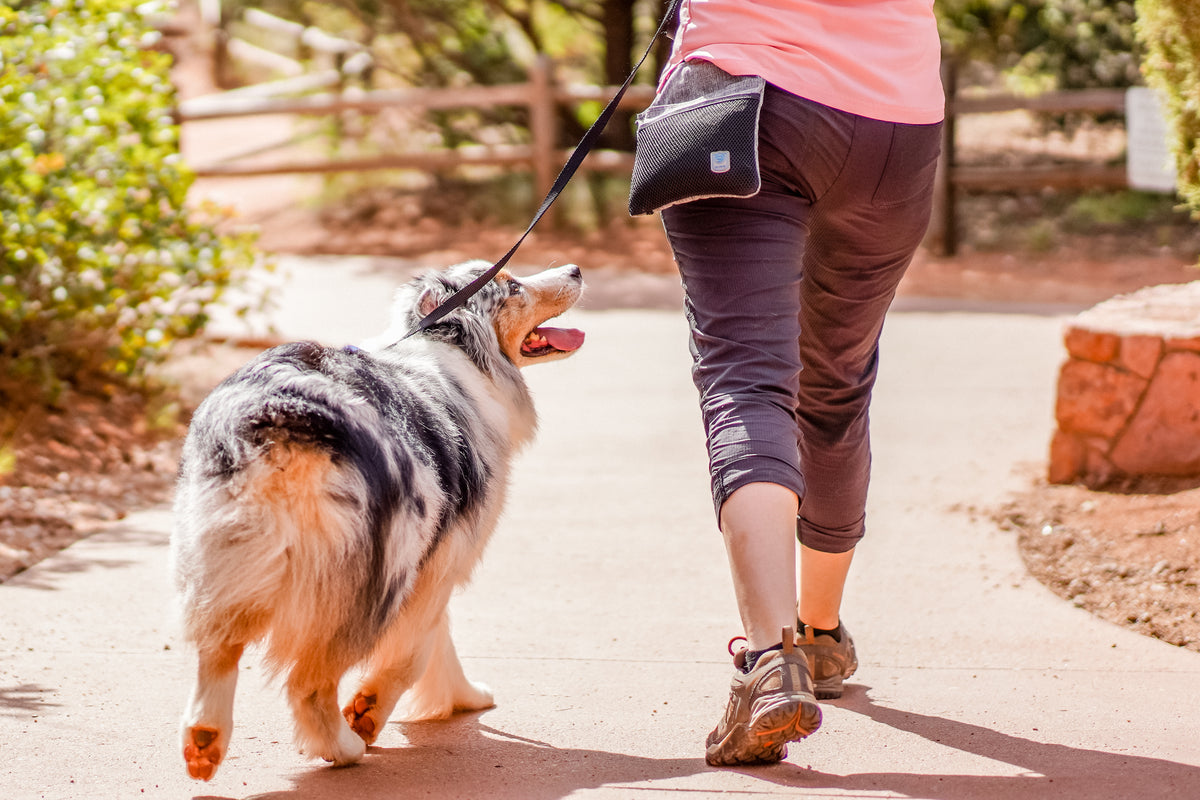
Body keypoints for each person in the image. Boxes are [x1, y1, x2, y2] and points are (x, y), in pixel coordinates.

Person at [654, 0, 946, 766]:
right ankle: (817, 633)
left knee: (748, 380)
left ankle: (769, 660)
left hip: (745, 102)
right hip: (897, 119)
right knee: (838, 382)